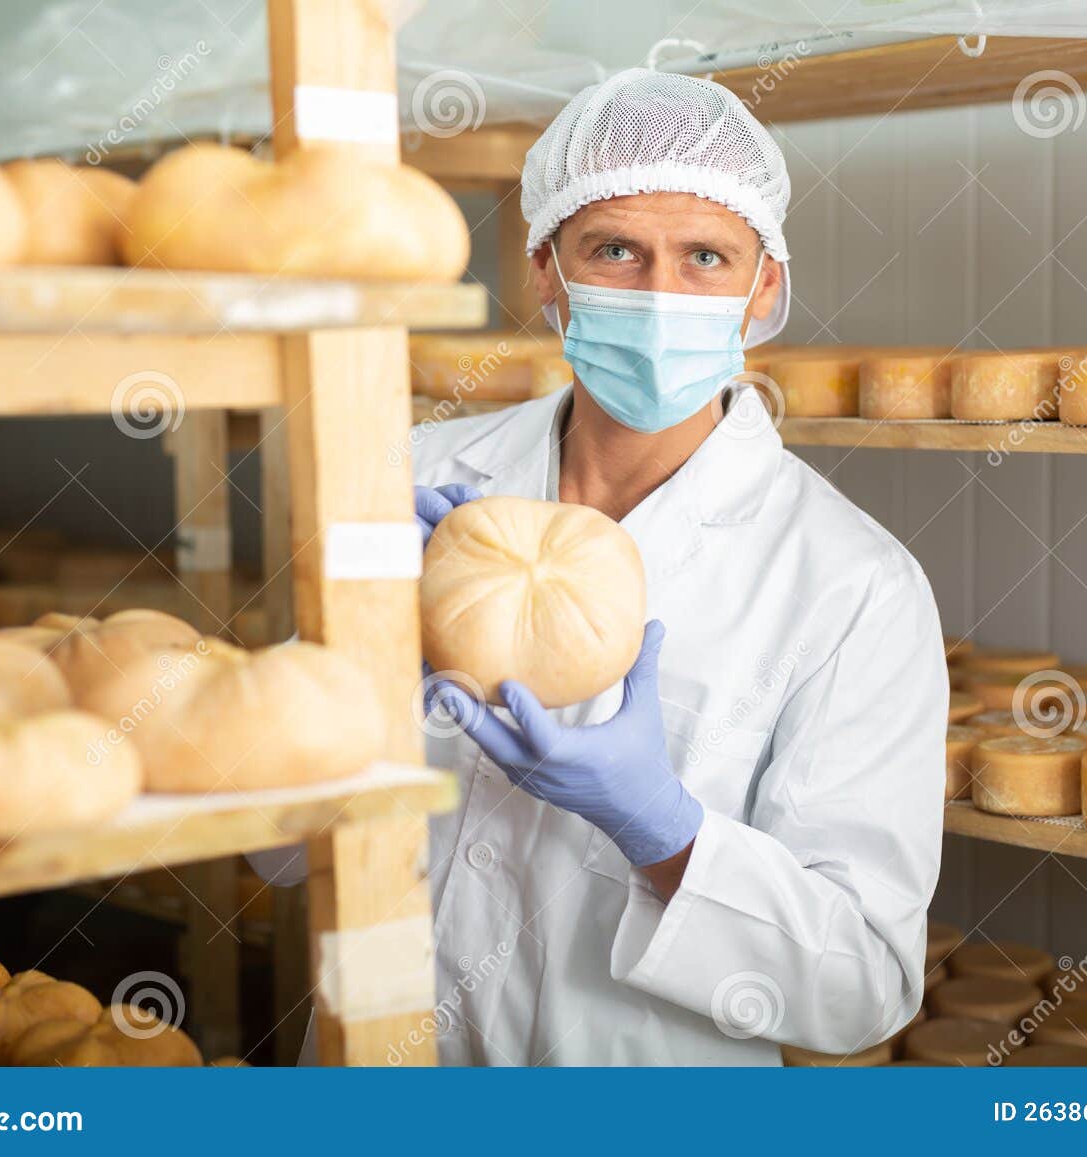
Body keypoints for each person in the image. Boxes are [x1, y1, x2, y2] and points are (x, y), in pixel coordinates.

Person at [263, 67, 947, 1066]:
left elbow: (861, 983)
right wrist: (354, 693)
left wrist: (662, 829)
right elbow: (269, 842)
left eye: (706, 256)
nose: (661, 293)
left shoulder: (852, 586)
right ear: (545, 267)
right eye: (615, 249)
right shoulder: (415, 479)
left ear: (763, 288)